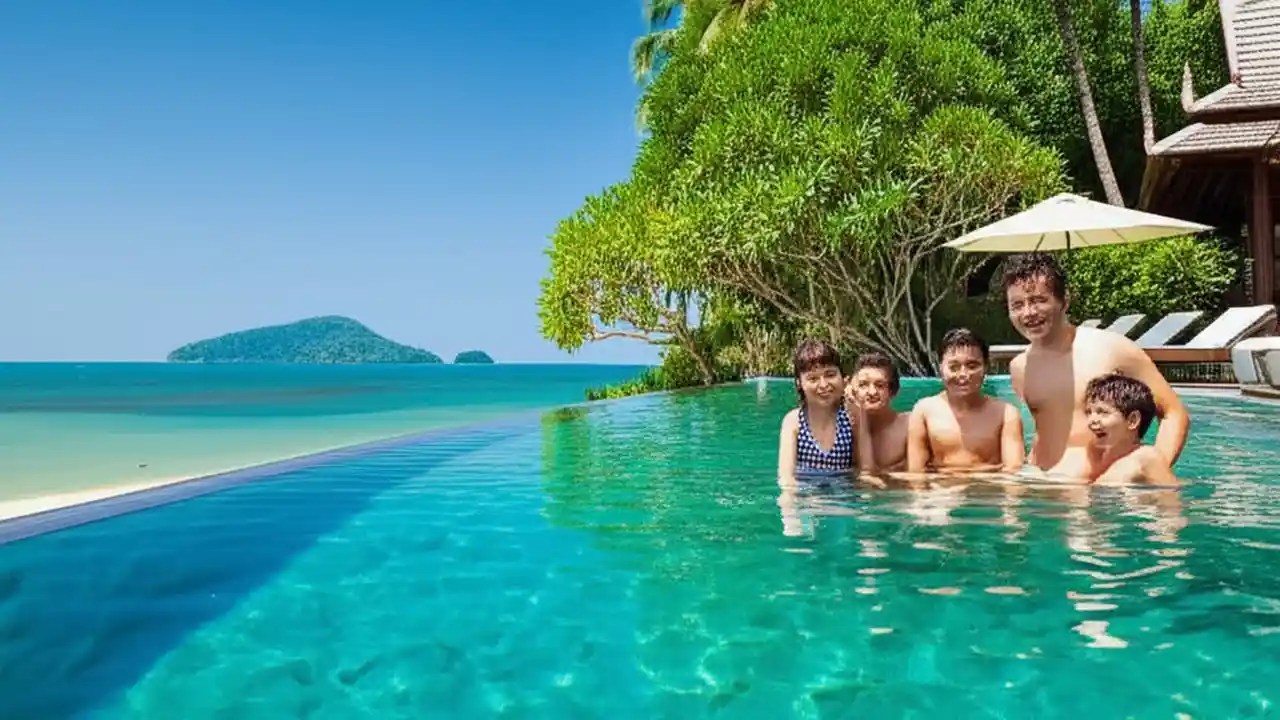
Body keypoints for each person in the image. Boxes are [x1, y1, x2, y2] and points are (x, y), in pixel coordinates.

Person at [1002, 253, 1190, 478]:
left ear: (1065, 300)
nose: (1028, 313)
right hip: (1044, 487)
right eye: (1017, 305)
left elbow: (1173, 413)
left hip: (1103, 494)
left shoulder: (1112, 349)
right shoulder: (1020, 367)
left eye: (1039, 300)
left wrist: (1150, 472)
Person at [906, 328, 1026, 473]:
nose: (963, 374)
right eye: (954, 367)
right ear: (941, 369)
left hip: (989, 491)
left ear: (986, 368)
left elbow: (1013, 470)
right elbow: (916, 473)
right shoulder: (924, 411)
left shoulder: (1006, 413)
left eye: (972, 366)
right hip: (940, 492)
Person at [777, 339, 858, 482]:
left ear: (843, 378)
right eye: (813, 378)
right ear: (799, 384)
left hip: (844, 497)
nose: (823, 385)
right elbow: (786, 478)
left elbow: (862, 473)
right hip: (806, 496)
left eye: (830, 375)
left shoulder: (851, 419)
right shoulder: (794, 422)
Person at [1083, 372, 1179, 486]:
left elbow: (1170, 500)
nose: (1092, 420)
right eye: (1089, 412)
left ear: (1132, 420)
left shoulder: (1147, 457)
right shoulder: (1097, 460)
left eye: (1103, 412)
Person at [844, 351, 910, 471]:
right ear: (852, 390)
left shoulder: (908, 426)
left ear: (892, 391)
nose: (872, 392)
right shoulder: (842, 429)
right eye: (863, 385)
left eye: (880, 385)